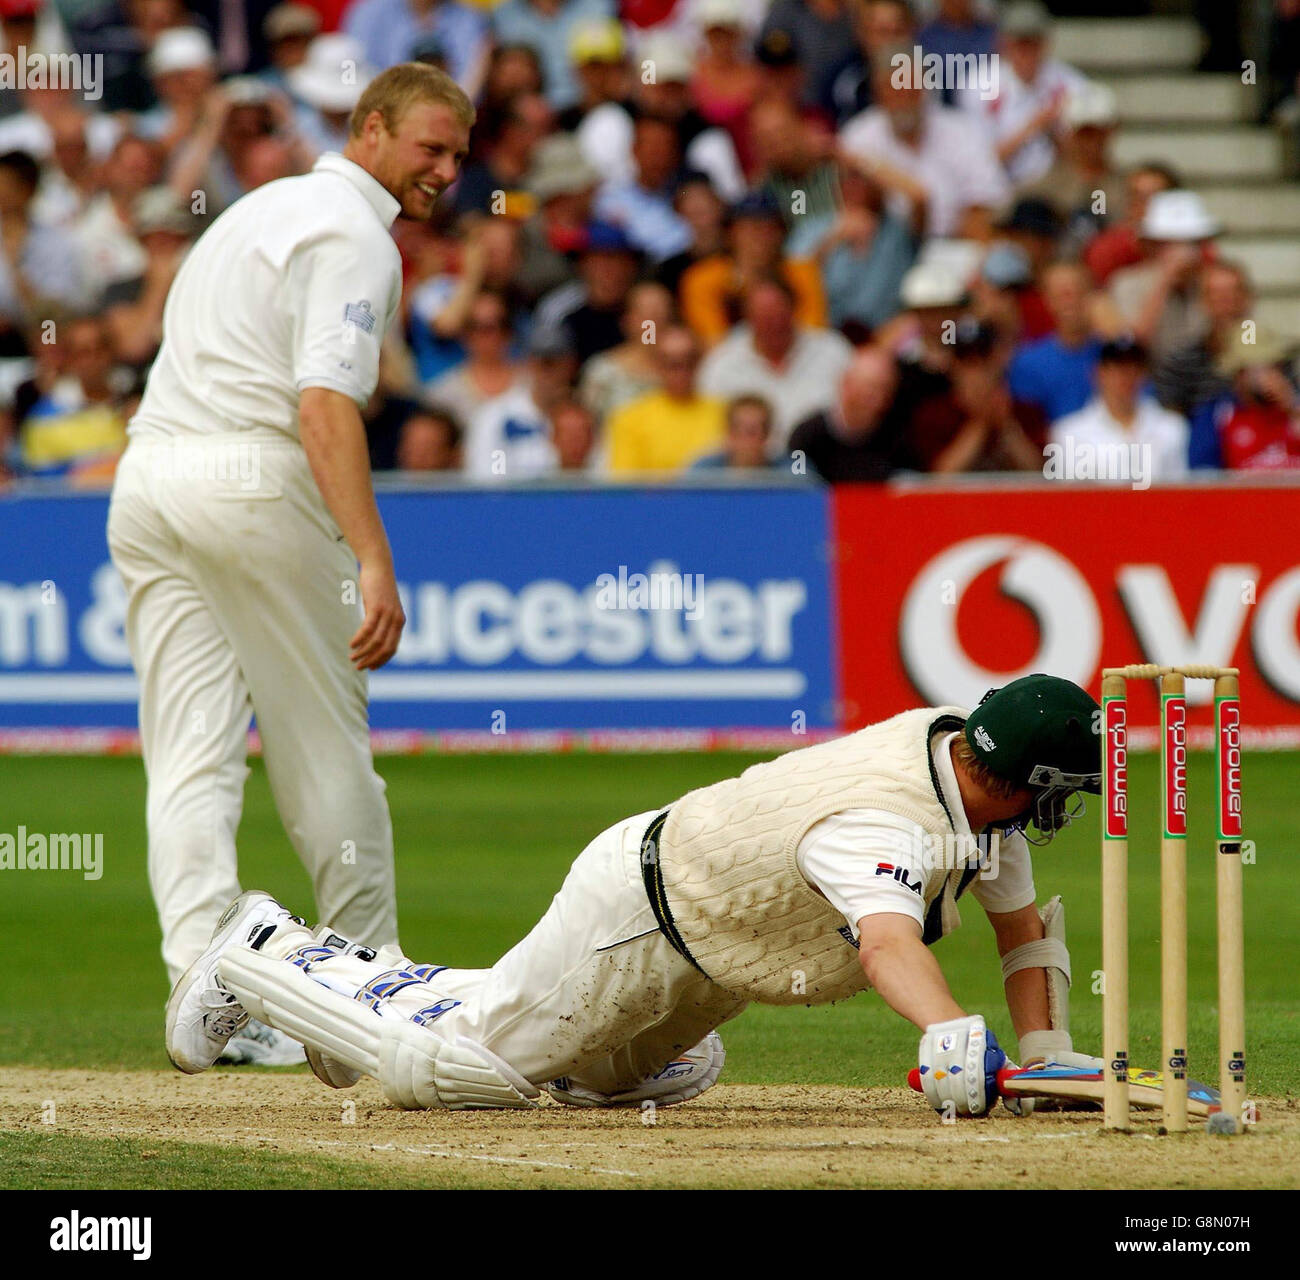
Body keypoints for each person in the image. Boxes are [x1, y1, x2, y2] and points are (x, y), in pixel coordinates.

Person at [166, 675, 1100, 1122]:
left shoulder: (981, 805)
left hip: (720, 953)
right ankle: (259, 951)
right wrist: (946, 1032)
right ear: (1027, 776)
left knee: (640, 1075)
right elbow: (888, 946)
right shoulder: (888, 822)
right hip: (644, 915)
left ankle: (345, 990)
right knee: (460, 1075)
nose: (1063, 809)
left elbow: (1023, 937)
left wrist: (1047, 1058)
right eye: (1063, 788)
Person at [107, 63, 474, 1064]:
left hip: (148, 479)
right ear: (371, 129)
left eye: (456, 155)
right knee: (324, 746)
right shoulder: (356, 236)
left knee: (189, 754)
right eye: (428, 147)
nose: (443, 169)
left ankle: (209, 987)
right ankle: (362, 992)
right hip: (249, 479)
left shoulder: (259, 207)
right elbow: (322, 404)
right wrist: (372, 555)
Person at [697, 273, 853, 450]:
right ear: (747, 317)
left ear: (795, 309)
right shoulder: (721, 364)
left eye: (779, 315)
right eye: (764, 317)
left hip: (821, 465)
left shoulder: (834, 352)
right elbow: (711, 434)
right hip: (752, 471)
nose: (773, 324)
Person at [1049, 337, 1189, 485]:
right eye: (1116, 368)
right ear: (1099, 373)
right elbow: (1069, 499)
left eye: (1133, 368)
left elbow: (1177, 489)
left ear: (1143, 374)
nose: (1125, 376)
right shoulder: (1069, 432)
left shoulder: (1172, 427)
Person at [605, 325, 725, 474]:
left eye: (689, 361)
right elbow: (625, 486)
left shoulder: (724, 414)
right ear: (657, 366)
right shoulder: (629, 418)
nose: (682, 371)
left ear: (699, 363)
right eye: (672, 364)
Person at [788, 344, 909, 481]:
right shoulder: (806, 436)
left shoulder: (897, 436)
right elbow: (796, 489)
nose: (878, 399)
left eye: (885, 389)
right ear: (846, 385)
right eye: (869, 389)